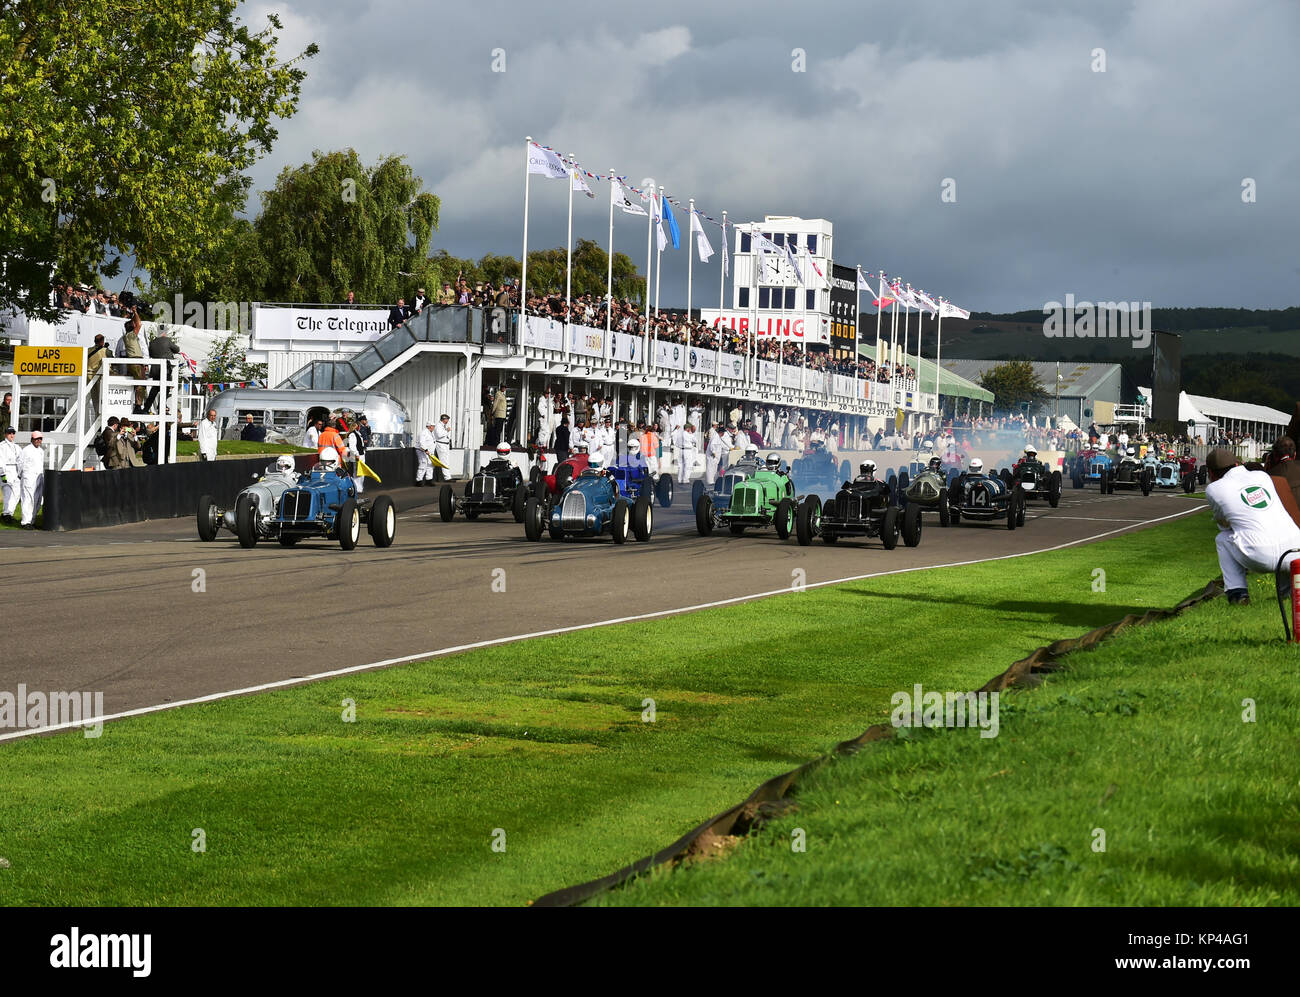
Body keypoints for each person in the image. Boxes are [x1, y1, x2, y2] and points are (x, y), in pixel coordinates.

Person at [1204, 448, 1300, 605]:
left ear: (1211, 473)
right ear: (1236, 464)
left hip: (1260, 556)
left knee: (1222, 539)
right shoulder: (1261, 476)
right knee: (1281, 532)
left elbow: (1224, 525)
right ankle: (1287, 594)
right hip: (1295, 550)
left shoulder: (1214, 488)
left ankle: (1238, 593)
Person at [17, 430, 44, 528]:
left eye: (40, 438)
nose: (38, 440)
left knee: (38, 500)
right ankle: (25, 522)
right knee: (28, 500)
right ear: (32, 439)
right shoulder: (26, 450)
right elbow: (20, 464)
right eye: (37, 438)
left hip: (39, 478)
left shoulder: (41, 451)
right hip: (28, 477)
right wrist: (21, 475)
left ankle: (32, 521)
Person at [0, 426, 19, 522]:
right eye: (9, 433)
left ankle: (9, 513)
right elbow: (1, 461)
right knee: (7, 493)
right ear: (5, 434)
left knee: (16, 493)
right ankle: (5, 513)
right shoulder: (2, 446)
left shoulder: (16, 446)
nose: (11, 435)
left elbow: (20, 459)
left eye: (13, 433)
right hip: (6, 470)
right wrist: (3, 475)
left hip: (15, 471)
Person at [674, 421, 697, 485]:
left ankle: (680, 479)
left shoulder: (680, 434)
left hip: (681, 450)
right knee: (688, 465)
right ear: (688, 429)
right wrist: (692, 433)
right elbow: (695, 440)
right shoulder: (688, 434)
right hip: (688, 451)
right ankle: (685, 479)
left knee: (680, 465)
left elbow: (676, 444)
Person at [433, 414, 453, 481]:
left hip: (445, 444)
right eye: (447, 419)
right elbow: (439, 435)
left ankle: (448, 476)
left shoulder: (443, 426)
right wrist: (446, 430)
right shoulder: (438, 426)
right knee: (444, 461)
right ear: (443, 419)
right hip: (441, 445)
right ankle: (447, 477)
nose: (447, 421)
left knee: (446, 461)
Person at [416, 420, 437, 485]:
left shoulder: (431, 433)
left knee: (430, 465)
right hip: (422, 451)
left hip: (429, 452)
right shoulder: (424, 433)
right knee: (423, 464)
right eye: (433, 426)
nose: (434, 428)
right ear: (429, 426)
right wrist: (425, 450)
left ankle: (429, 479)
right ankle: (419, 480)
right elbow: (422, 442)